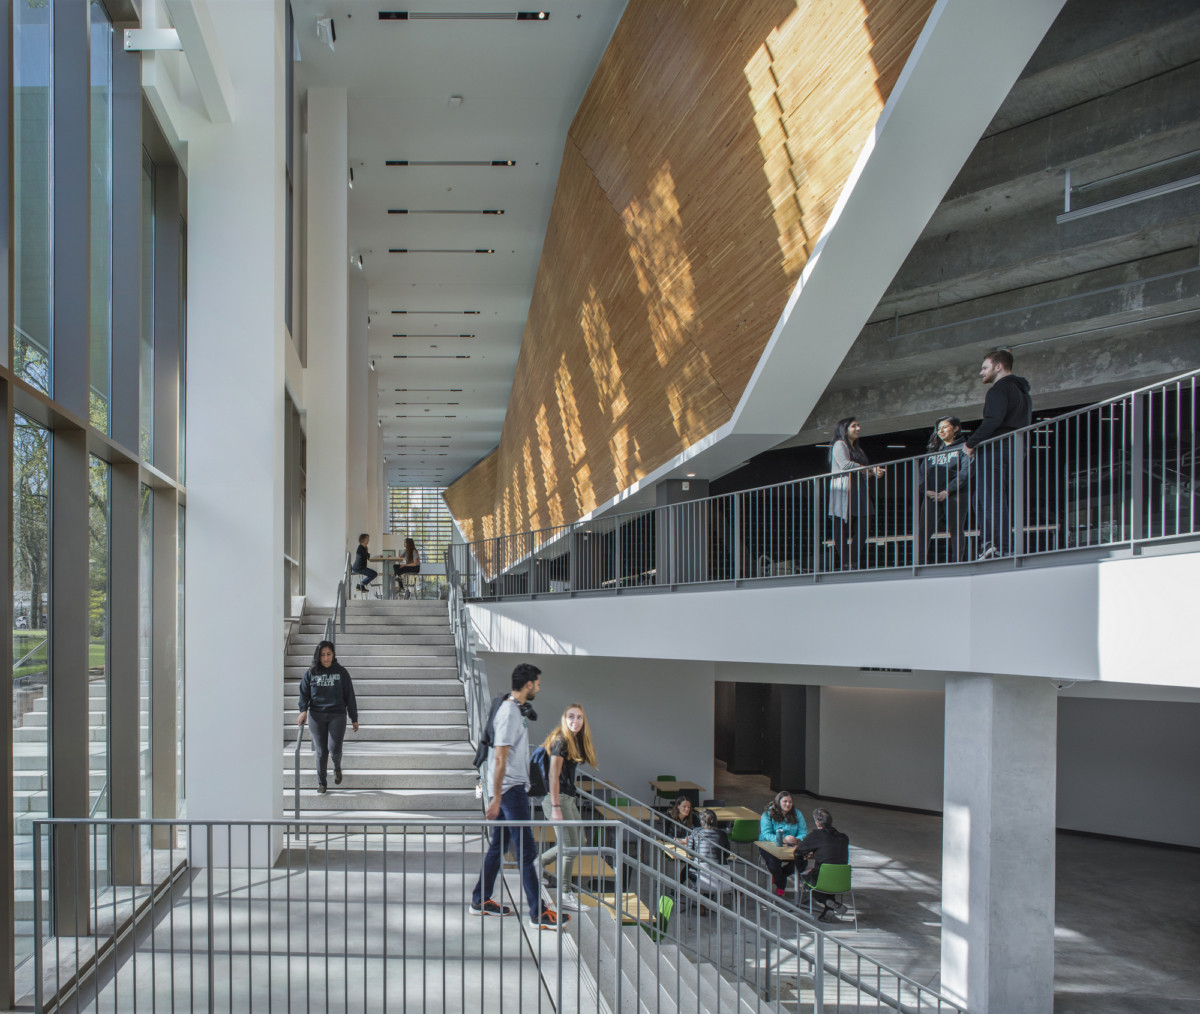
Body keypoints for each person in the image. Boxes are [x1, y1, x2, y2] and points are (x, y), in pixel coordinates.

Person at [470, 663, 569, 930]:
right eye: (537, 683)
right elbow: (500, 757)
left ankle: (480, 899)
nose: (539, 686)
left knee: (498, 848)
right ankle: (538, 913)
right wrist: (497, 798)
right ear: (528, 685)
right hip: (510, 792)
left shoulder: (516, 710)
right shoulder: (509, 713)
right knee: (527, 852)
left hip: (509, 790)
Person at [962, 349, 1032, 559]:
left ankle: (997, 546)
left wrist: (970, 444)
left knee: (990, 498)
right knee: (981, 499)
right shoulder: (1022, 392)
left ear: (998, 366)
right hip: (1014, 448)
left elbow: (992, 420)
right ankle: (992, 544)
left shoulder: (999, 390)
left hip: (996, 448)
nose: (981, 372)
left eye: (985, 367)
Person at [539, 703, 598, 911]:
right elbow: (553, 775)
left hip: (568, 798)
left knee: (578, 841)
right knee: (569, 846)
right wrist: (555, 807)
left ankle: (535, 865)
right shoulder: (560, 741)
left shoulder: (573, 741)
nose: (575, 721)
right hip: (557, 799)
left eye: (579, 717)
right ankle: (565, 893)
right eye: (571, 716)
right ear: (564, 719)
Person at [296, 640, 359, 794]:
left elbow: (349, 696)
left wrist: (354, 717)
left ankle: (336, 767)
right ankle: (322, 782)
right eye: (323, 655)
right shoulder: (311, 672)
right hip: (316, 715)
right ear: (318, 656)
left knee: (334, 748)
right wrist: (303, 710)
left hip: (337, 714)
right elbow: (304, 693)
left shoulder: (341, 672)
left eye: (328, 654)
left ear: (333, 655)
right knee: (321, 750)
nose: (326, 658)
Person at [827, 418, 886, 570]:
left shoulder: (858, 449)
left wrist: (873, 473)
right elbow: (845, 465)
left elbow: (862, 473)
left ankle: (853, 560)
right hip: (844, 491)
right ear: (844, 429)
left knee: (863, 528)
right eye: (854, 426)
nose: (858, 428)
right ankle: (846, 562)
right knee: (841, 529)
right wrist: (870, 469)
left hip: (859, 490)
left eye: (858, 425)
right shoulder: (839, 444)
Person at [920, 416, 972, 563]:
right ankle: (919, 563)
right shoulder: (933, 450)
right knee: (924, 530)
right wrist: (926, 490)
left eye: (945, 427)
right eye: (939, 428)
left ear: (956, 428)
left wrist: (947, 490)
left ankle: (957, 562)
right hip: (931, 496)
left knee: (955, 529)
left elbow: (965, 473)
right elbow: (922, 473)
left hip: (955, 495)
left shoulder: (964, 447)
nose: (940, 430)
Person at [795, 807, 851, 922]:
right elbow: (833, 855)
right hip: (842, 880)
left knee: (808, 880)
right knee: (827, 879)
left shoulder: (817, 835)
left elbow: (798, 852)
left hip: (823, 879)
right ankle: (828, 911)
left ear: (817, 823)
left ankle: (828, 902)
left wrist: (803, 870)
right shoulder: (844, 838)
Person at [758, 791, 809, 896]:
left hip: (791, 846)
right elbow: (766, 834)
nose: (788, 804)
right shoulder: (768, 814)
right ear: (778, 802)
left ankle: (779, 877)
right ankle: (781, 884)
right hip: (769, 845)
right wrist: (783, 839)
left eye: (790, 802)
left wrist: (797, 840)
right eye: (785, 801)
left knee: (802, 862)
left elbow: (803, 832)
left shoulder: (797, 814)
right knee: (773, 863)